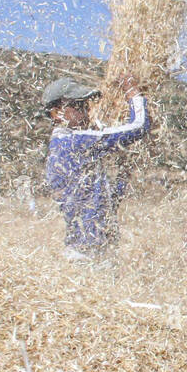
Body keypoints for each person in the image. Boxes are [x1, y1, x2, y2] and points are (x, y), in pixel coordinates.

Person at [41, 77, 151, 261]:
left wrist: (124, 173)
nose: (86, 112)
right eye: (78, 106)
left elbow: (100, 202)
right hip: (87, 257)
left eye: (86, 106)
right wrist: (133, 93)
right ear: (57, 112)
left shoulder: (61, 148)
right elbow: (138, 127)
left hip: (91, 252)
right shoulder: (74, 143)